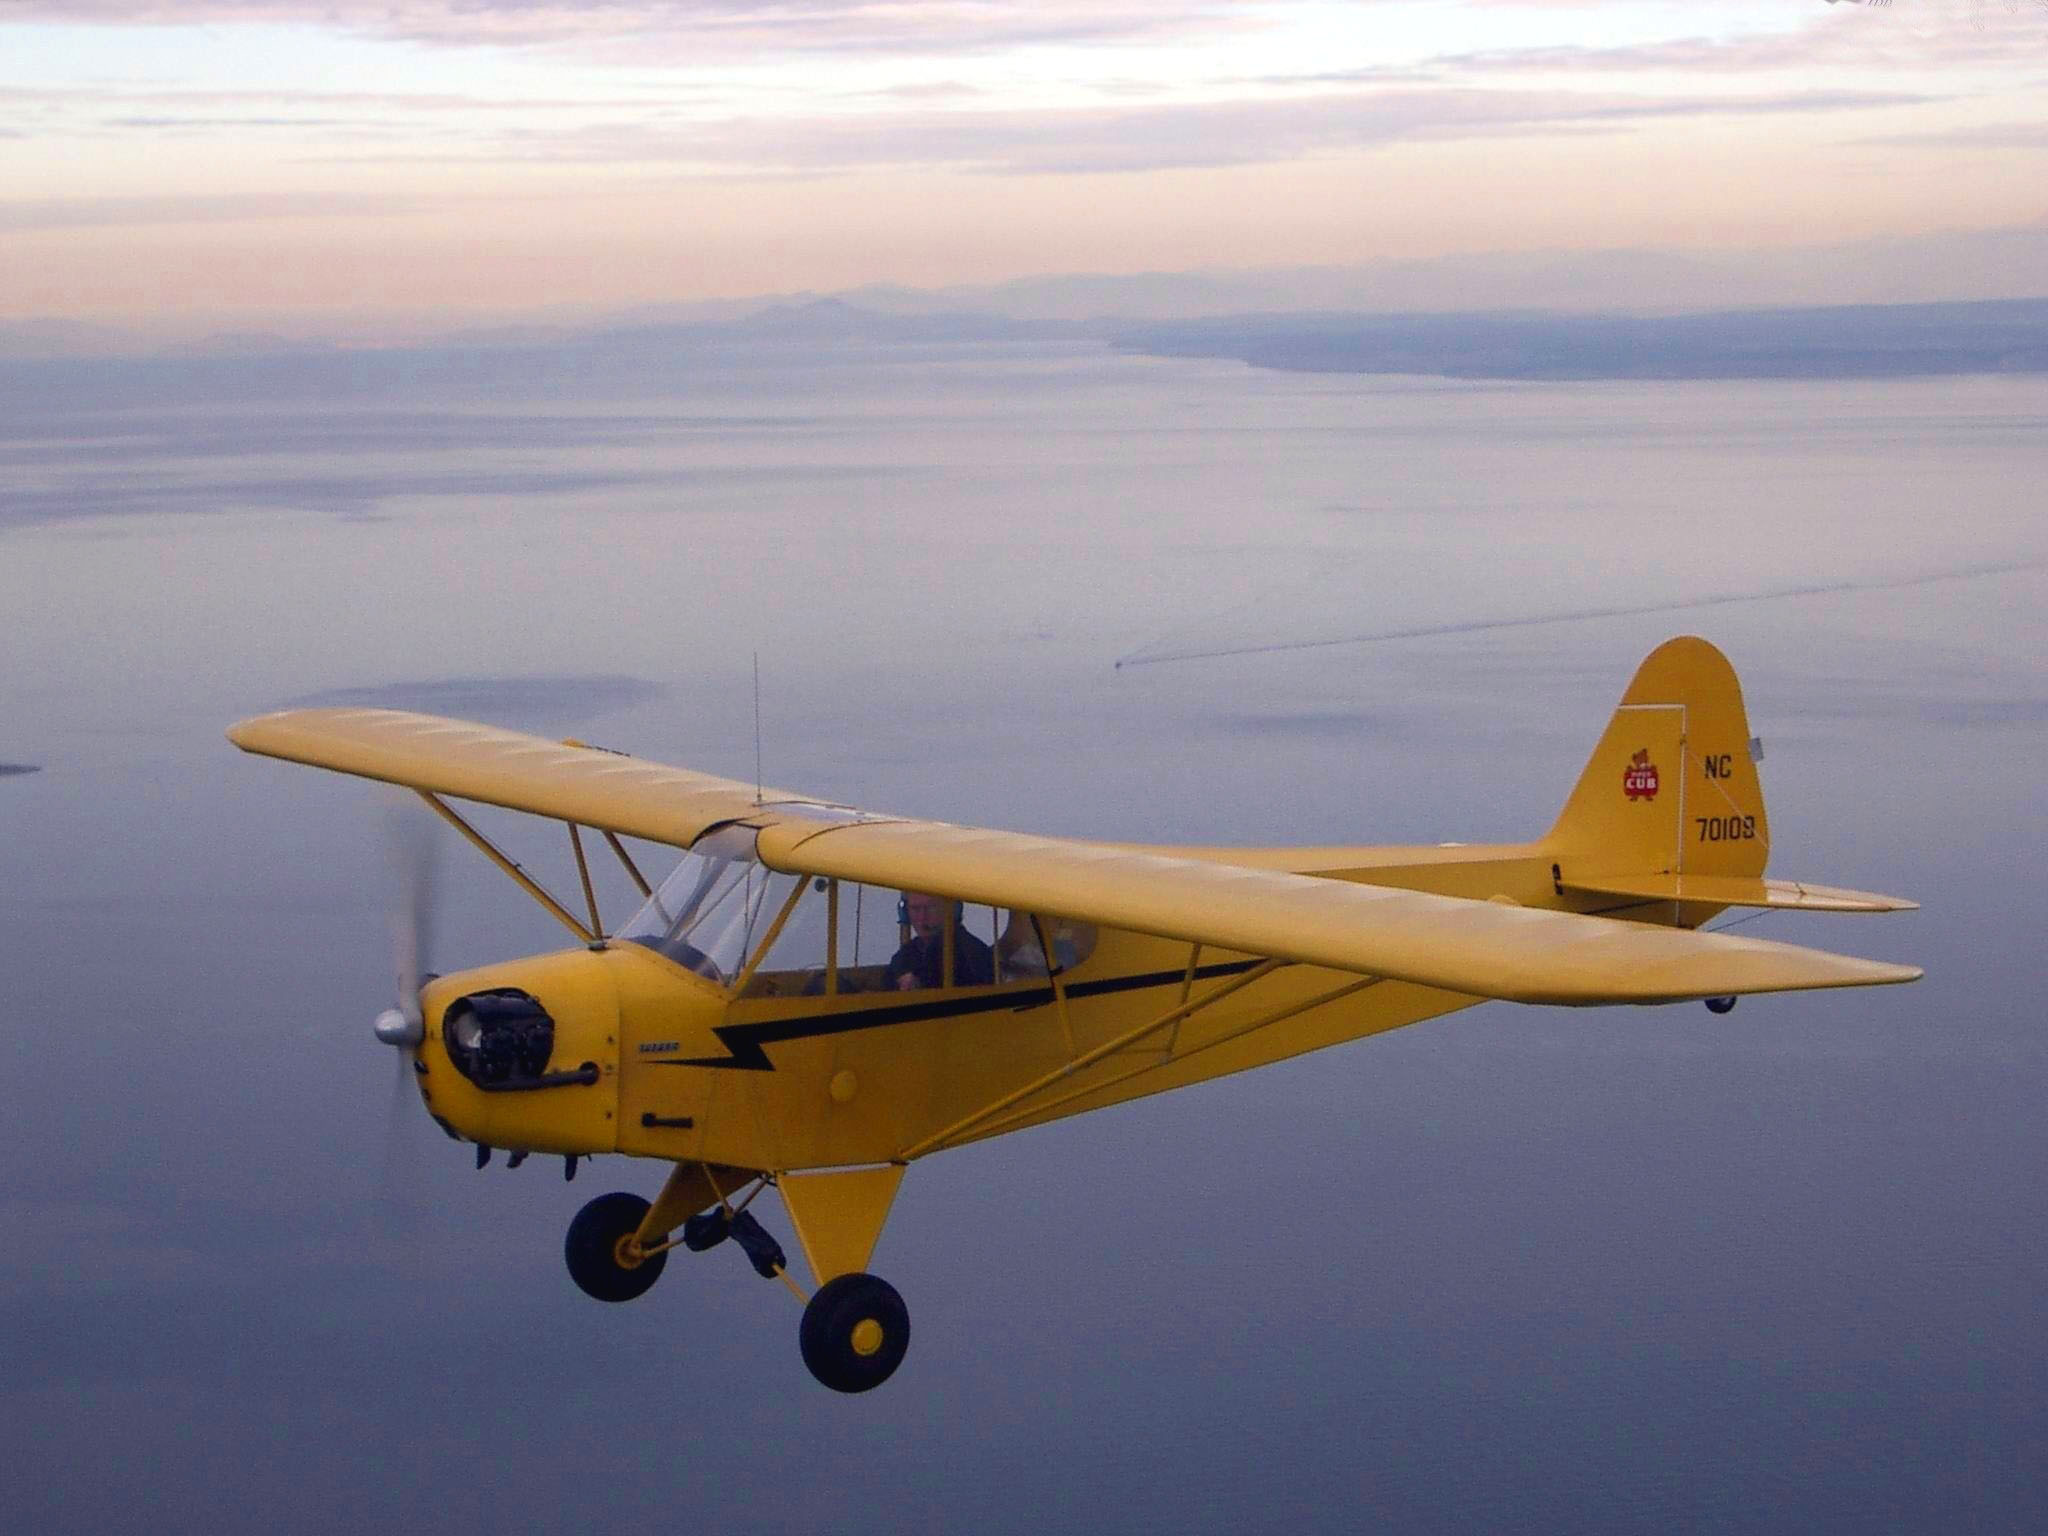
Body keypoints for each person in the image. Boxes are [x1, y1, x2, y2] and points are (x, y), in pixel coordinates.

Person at [885, 891, 994, 990]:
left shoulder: (971, 953)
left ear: (952, 909)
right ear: (905, 912)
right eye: (915, 909)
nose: (922, 917)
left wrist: (921, 984)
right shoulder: (906, 954)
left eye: (931, 907)